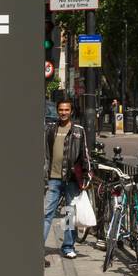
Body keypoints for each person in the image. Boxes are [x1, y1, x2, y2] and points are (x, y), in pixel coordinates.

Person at [44, 94, 91, 265]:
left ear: (71, 111)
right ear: (57, 111)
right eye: (61, 110)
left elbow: (85, 154)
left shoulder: (78, 130)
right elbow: (45, 152)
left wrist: (87, 174)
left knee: (69, 214)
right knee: (47, 213)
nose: (63, 112)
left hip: (71, 178)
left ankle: (68, 246)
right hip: (53, 178)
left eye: (66, 110)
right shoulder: (50, 129)